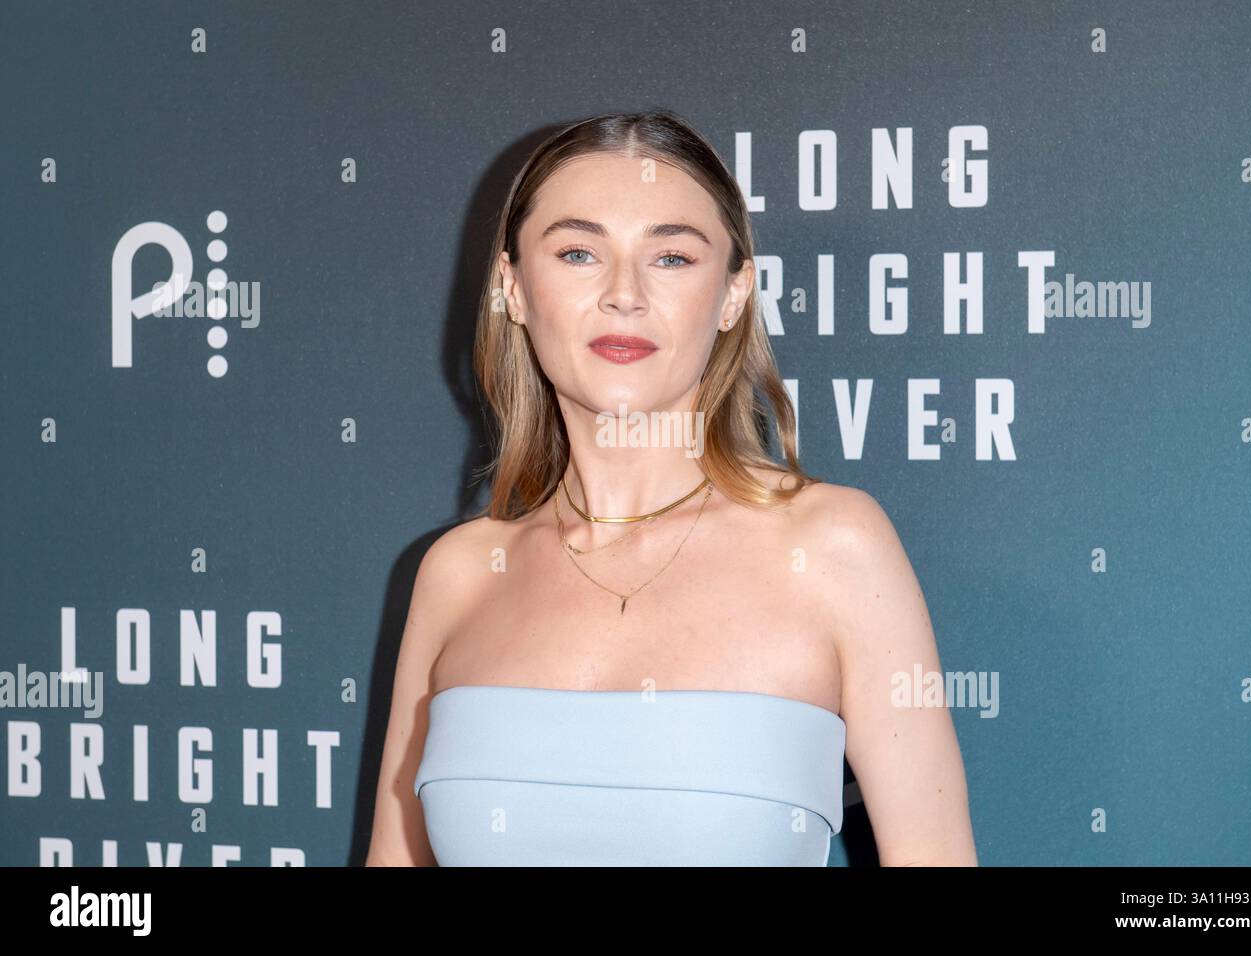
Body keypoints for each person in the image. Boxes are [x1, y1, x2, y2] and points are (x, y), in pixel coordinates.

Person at [365, 110, 978, 866]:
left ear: (731, 296)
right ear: (512, 289)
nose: (625, 294)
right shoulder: (459, 576)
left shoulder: (831, 549)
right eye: (580, 252)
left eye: (673, 259)